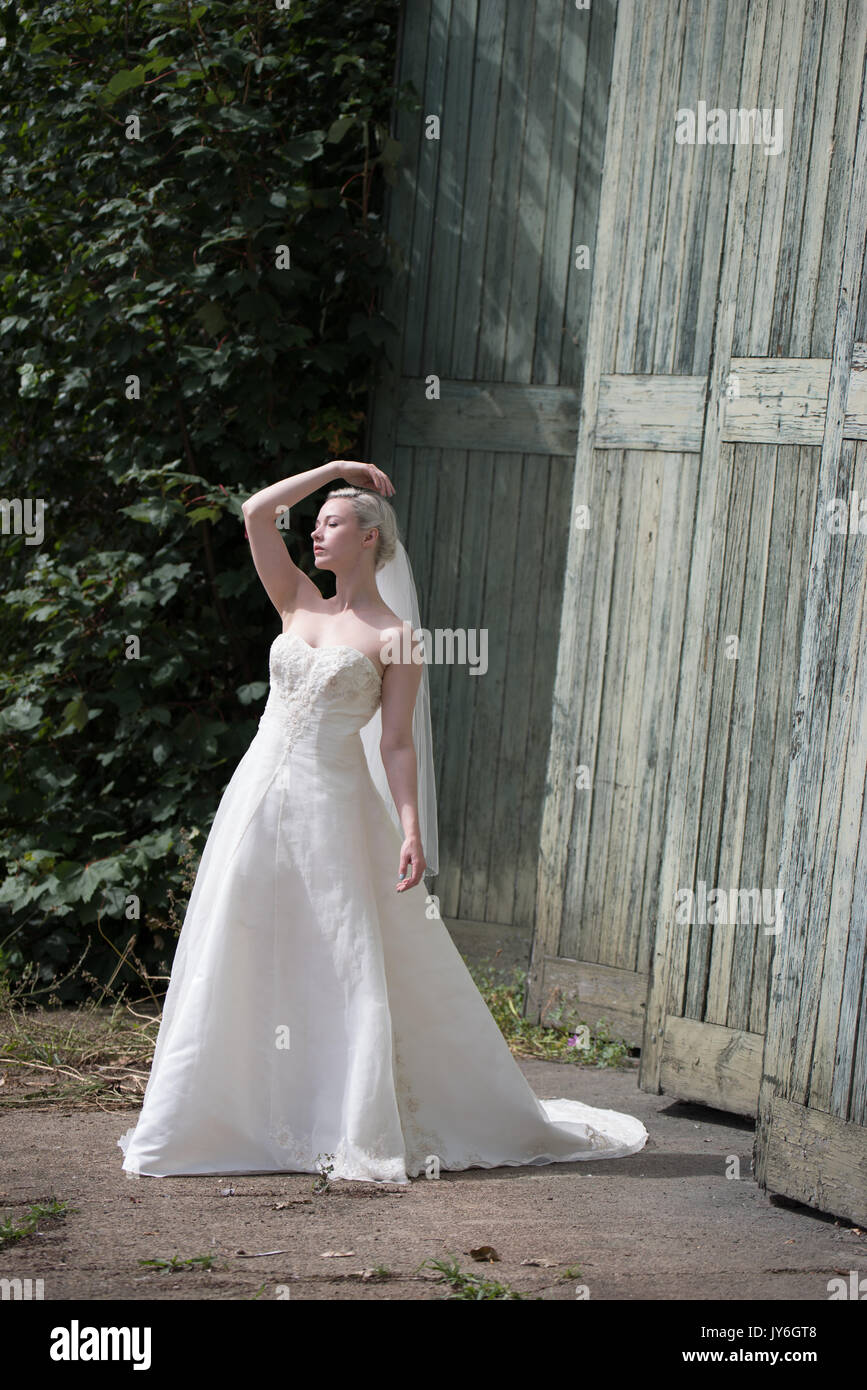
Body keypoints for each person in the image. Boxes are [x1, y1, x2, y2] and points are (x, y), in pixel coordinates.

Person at [118, 459, 648, 1181]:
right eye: (313, 525)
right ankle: (221, 1113)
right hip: (254, 801)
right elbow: (252, 511)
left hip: (333, 807)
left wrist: (410, 828)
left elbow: (395, 743)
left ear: (369, 538)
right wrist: (334, 470)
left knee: (339, 955)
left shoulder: (395, 637)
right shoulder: (297, 604)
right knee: (235, 937)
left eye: (331, 523)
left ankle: (343, 1116)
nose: (313, 534)